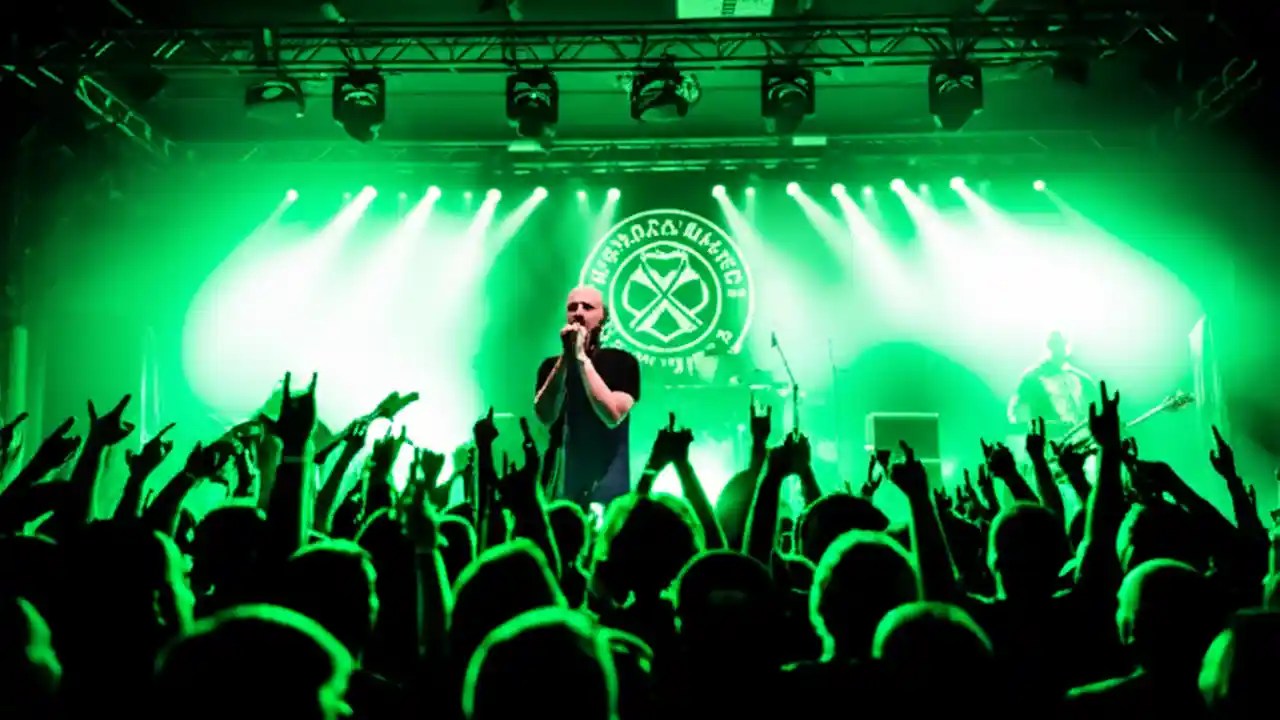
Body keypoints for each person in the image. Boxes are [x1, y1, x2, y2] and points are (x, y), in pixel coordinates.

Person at [534, 287, 641, 508]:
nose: (579, 313)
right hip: (559, 486)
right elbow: (545, 415)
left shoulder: (622, 362)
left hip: (607, 486)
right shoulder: (551, 366)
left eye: (588, 307)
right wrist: (567, 357)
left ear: (603, 318)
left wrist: (581, 357)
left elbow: (612, 415)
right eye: (572, 308)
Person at [1007, 331, 1095, 434]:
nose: (1059, 346)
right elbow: (1019, 416)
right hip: (1046, 442)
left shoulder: (1082, 380)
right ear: (1048, 345)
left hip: (1076, 442)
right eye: (1055, 342)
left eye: (1061, 342)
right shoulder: (1031, 378)